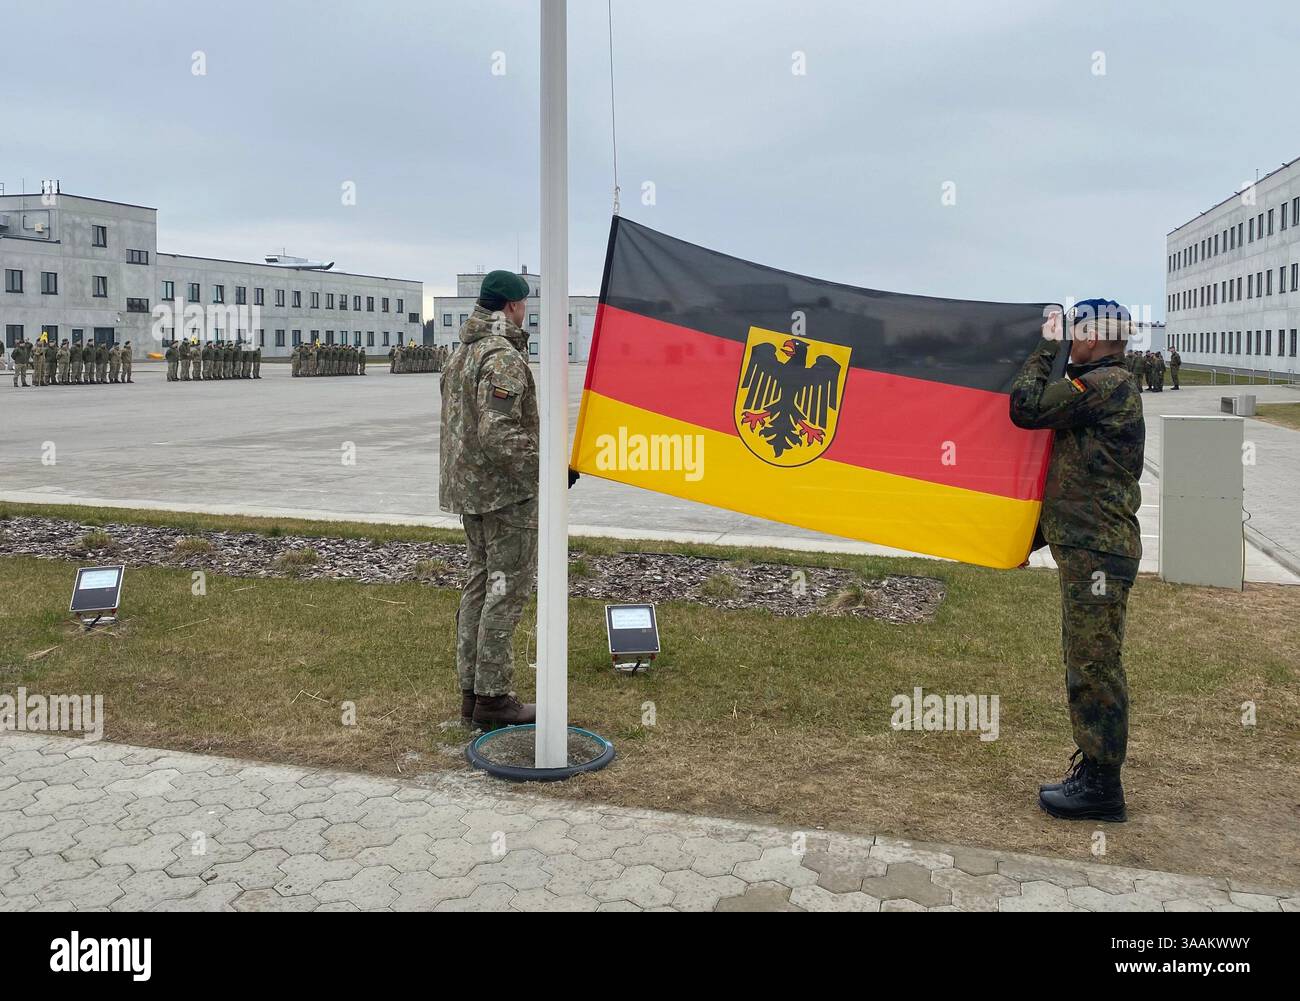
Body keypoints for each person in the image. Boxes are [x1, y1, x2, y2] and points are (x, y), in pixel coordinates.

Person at [1009, 299, 1144, 823]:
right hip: (1091, 548)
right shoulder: (1107, 385)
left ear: (1091, 337)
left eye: (1071, 335)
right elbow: (1079, 483)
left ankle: (1103, 788)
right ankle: (1093, 772)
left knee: (1094, 666)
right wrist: (1026, 540)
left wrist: (1043, 347)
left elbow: (1025, 407)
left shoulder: (1107, 384)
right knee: (1086, 661)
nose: (1068, 343)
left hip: (1099, 556)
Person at [439, 271, 542, 730]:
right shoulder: (501, 358)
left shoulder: (462, 352)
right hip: (504, 494)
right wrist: (547, 469)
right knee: (503, 592)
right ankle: (494, 699)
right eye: (525, 303)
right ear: (512, 306)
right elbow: (498, 432)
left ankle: (472, 693)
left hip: (471, 492)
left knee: (480, 586)